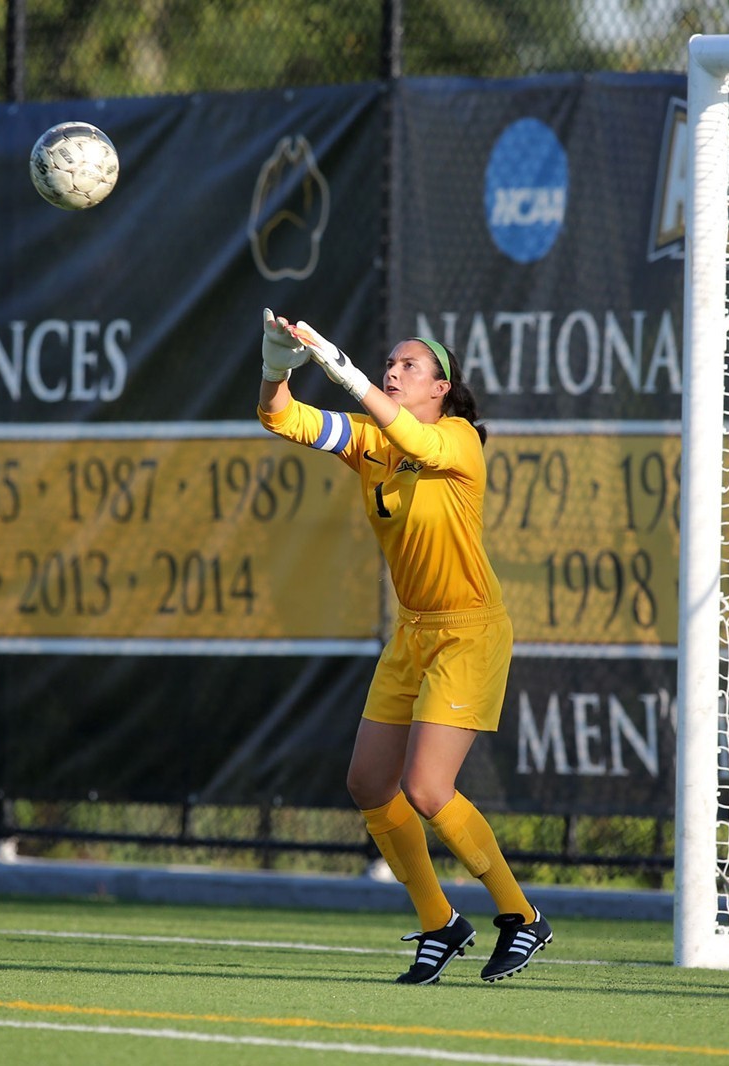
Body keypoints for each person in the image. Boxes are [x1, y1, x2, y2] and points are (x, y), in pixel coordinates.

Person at [255, 308, 553, 984]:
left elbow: (412, 438)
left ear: (441, 388)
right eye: (388, 363)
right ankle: (439, 923)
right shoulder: (369, 440)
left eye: (408, 366)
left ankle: (523, 916)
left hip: (469, 629)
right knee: (368, 783)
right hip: (413, 630)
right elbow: (280, 417)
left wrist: (348, 374)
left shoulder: (458, 439)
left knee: (425, 787)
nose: (393, 371)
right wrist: (277, 365)